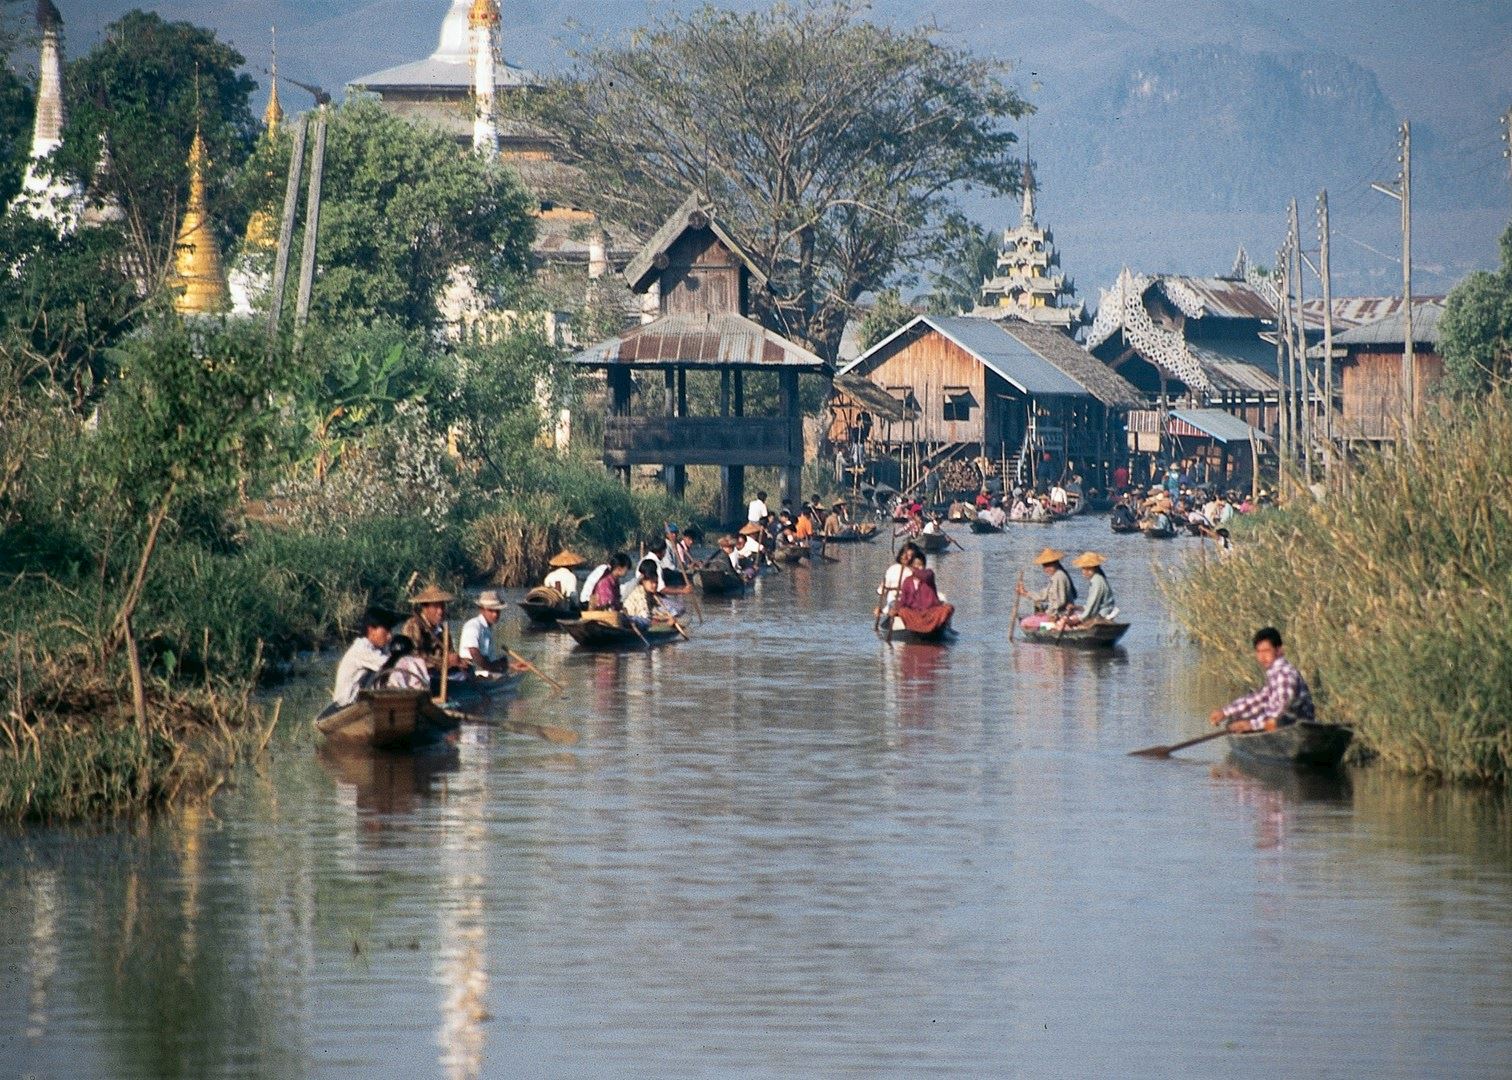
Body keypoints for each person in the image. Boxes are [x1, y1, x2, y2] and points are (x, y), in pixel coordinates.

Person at [1209, 627, 1316, 733]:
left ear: (1279, 650)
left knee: (1250, 722)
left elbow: (1282, 713)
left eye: (1266, 651)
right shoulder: (1276, 673)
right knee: (1239, 719)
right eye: (1259, 652)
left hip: (1292, 727)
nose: (1262, 657)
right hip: (1284, 724)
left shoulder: (1284, 674)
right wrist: (1225, 712)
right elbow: (1262, 698)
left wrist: (1251, 725)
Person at [330, 609, 396, 709]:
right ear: (371, 630)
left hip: (356, 701)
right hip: (346, 705)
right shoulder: (362, 649)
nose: (390, 636)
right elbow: (392, 665)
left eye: (390, 631)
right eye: (386, 631)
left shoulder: (378, 648)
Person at [402, 585, 463, 682]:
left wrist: (458, 660)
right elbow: (412, 657)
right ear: (425, 608)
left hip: (440, 672)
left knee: (465, 672)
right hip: (420, 676)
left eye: (442, 606)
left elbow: (450, 652)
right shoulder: (414, 626)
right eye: (435, 607)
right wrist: (444, 662)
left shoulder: (442, 630)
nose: (440, 611)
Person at [895, 551, 954, 635]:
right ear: (912, 565)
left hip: (930, 611)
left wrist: (912, 568)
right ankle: (917, 628)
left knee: (948, 608)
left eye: (922, 565)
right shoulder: (907, 581)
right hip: (915, 612)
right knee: (903, 611)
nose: (920, 567)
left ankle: (932, 627)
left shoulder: (929, 574)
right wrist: (896, 609)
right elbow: (903, 600)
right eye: (917, 565)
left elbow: (924, 575)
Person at [1016, 548, 1077, 629]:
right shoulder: (1055, 576)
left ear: (1056, 563)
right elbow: (1043, 595)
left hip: (1060, 614)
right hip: (1056, 612)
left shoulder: (1059, 576)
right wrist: (1025, 593)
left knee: (1024, 623)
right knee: (1032, 621)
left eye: (1049, 565)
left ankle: (1051, 627)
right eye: (1045, 566)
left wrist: (1051, 614)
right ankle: (1046, 627)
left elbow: (1060, 602)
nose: (1047, 569)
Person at [1055, 552, 1118, 630]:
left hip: (1101, 616)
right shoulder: (1096, 579)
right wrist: (1076, 607)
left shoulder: (1097, 581)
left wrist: (1078, 620)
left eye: (1088, 569)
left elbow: (1092, 605)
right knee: (1067, 618)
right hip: (1097, 613)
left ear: (1095, 568)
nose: (1085, 572)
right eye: (1083, 568)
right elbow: (1090, 605)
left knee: (1066, 623)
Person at [459, 590, 513, 675]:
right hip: (470, 671)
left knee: (503, 660)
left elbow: (489, 658)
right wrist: (491, 668)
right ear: (482, 610)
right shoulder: (473, 625)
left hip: (483, 670)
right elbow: (474, 653)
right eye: (491, 610)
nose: (495, 614)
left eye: (497, 611)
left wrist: (508, 665)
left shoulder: (488, 628)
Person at [876, 542, 919, 619]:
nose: (905, 557)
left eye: (909, 555)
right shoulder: (893, 569)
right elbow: (882, 590)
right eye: (904, 554)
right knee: (896, 605)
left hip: (911, 605)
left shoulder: (916, 571)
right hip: (894, 604)